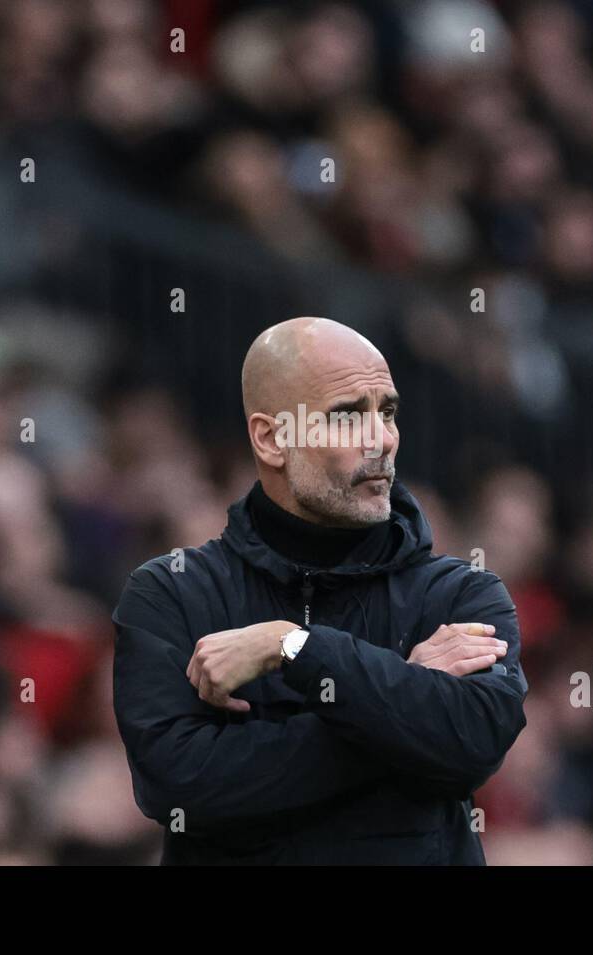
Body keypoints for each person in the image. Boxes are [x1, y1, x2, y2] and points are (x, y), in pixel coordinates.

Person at [112, 317, 528, 864]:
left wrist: (294, 647)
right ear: (271, 438)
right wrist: (403, 701)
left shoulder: (462, 594)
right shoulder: (171, 593)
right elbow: (182, 786)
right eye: (348, 415)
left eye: (387, 412)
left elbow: (472, 741)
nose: (381, 440)